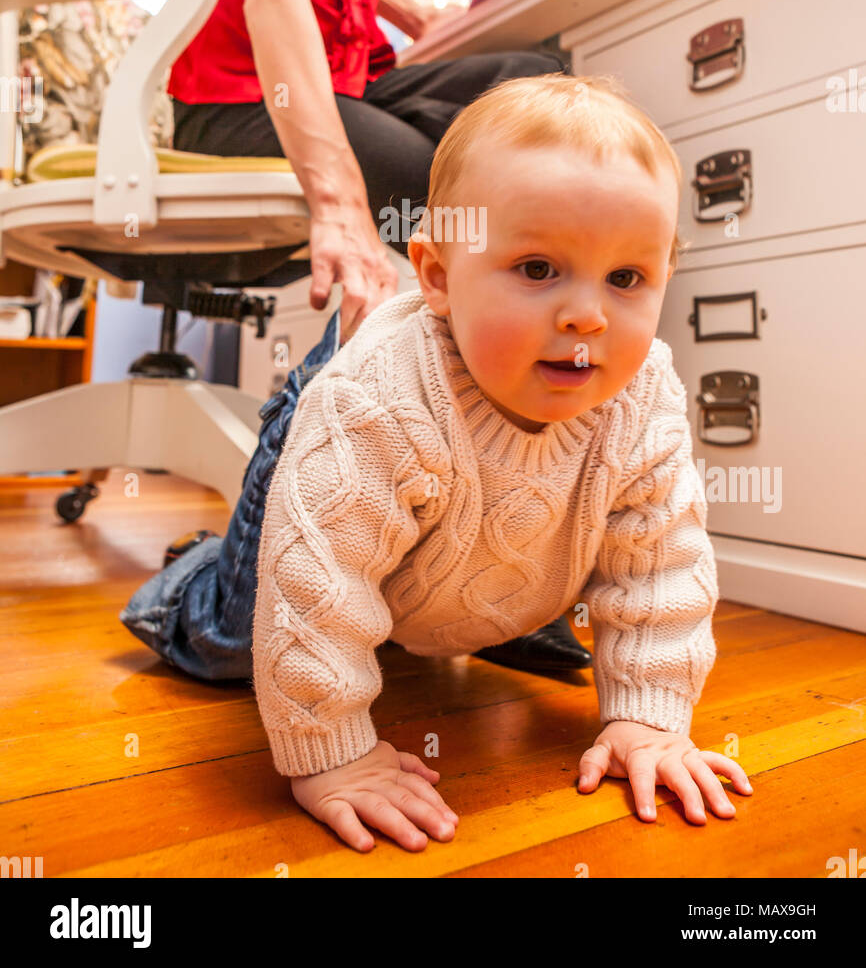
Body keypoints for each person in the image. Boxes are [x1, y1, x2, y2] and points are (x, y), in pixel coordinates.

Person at [123, 0, 589, 675]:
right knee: (454, 193)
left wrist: (404, 10)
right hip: (248, 91)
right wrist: (338, 204)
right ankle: (254, 589)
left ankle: (507, 545)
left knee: (535, 103)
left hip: (348, 65)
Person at [250, 72, 754, 853]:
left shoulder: (642, 390)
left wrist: (649, 717)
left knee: (525, 561)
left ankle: (475, 617)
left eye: (626, 278)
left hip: (467, 570)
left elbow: (661, 563)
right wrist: (332, 757)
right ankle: (190, 584)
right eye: (538, 269)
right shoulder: (379, 396)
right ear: (439, 277)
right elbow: (312, 586)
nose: (587, 313)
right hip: (302, 535)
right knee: (234, 631)